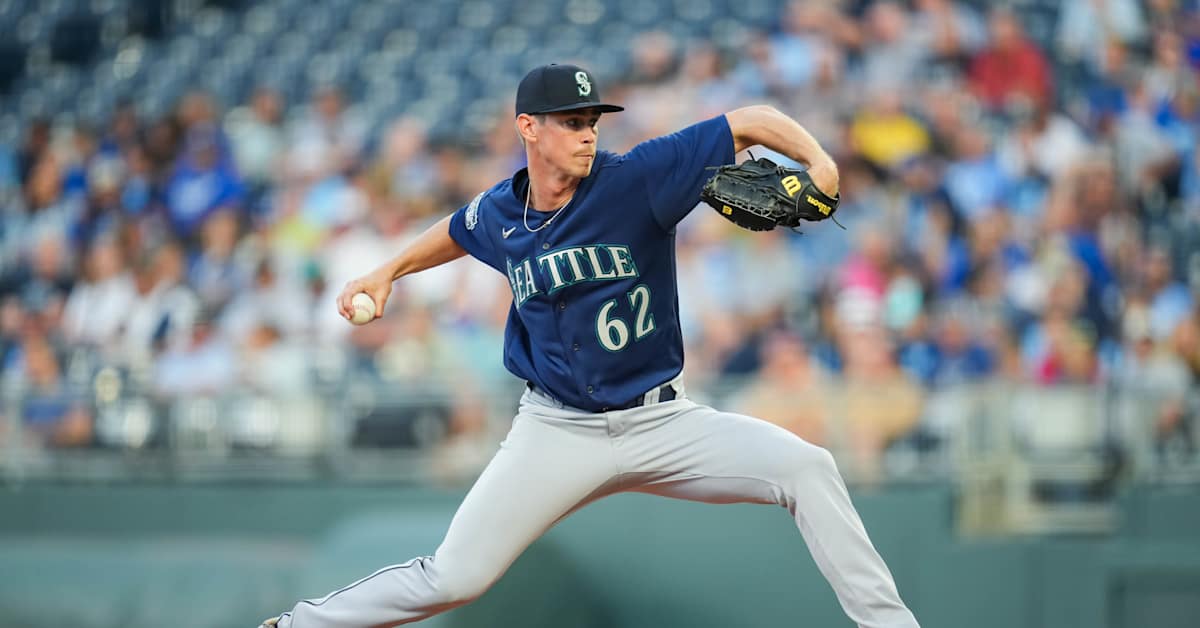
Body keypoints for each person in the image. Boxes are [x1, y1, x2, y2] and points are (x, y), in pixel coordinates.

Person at [260, 63, 919, 628]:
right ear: (528, 129)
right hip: (556, 430)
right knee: (454, 578)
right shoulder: (501, 213)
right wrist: (387, 271)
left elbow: (749, 118)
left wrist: (820, 161)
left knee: (807, 468)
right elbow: (458, 230)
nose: (587, 134)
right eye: (571, 121)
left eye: (591, 121)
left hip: (662, 420)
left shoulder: (637, 179)